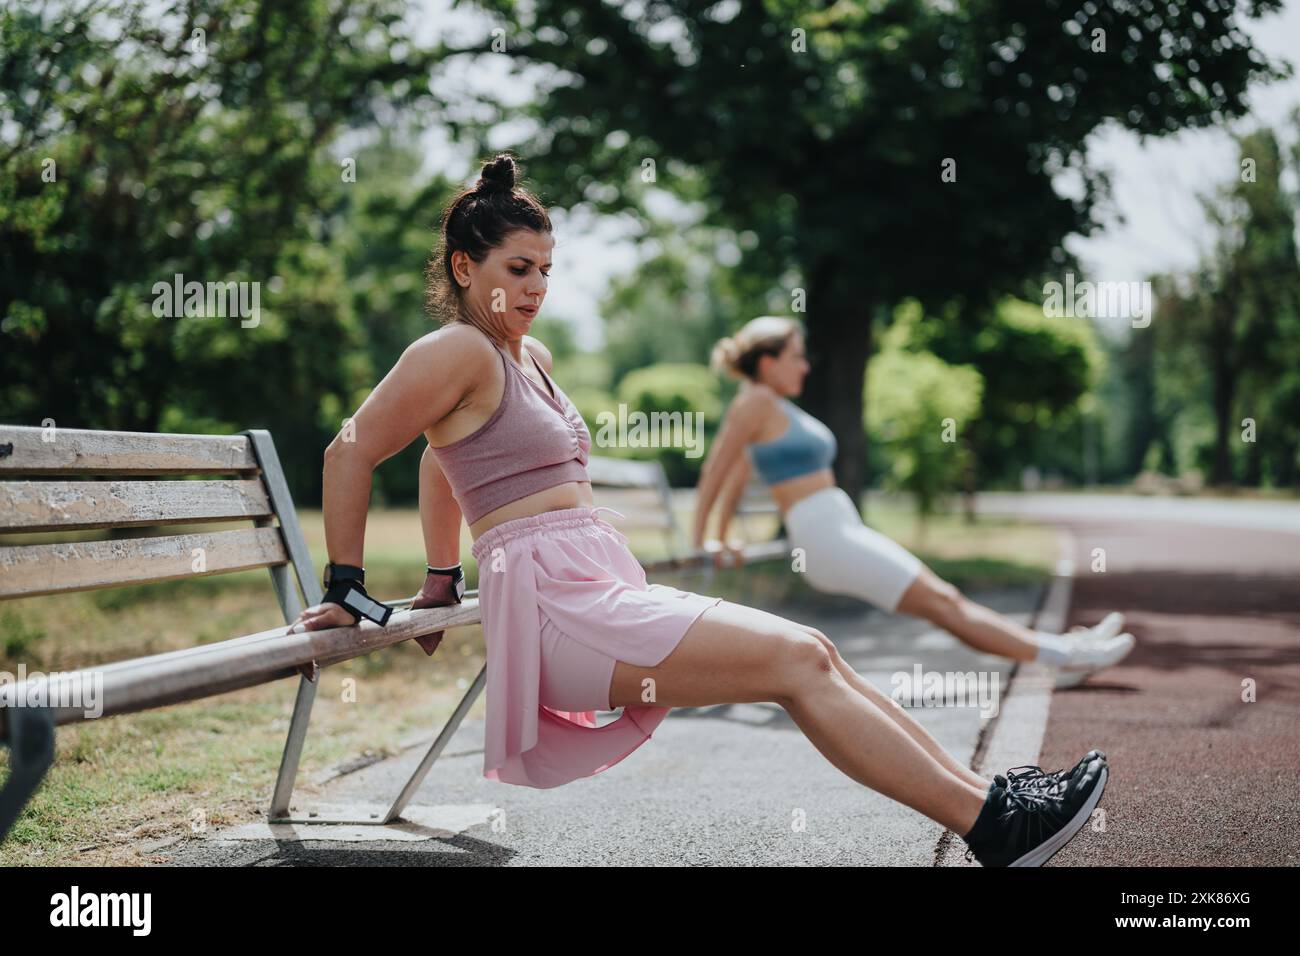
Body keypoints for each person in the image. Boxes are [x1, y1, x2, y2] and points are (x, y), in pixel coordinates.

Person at [285, 153, 1108, 866]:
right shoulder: (453, 349)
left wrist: (439, 576)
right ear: (465, 269)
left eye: (545, 268)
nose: (536, 286)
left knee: (812, 649)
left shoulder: (521, 354)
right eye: (516, 269)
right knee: (796, 663)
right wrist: (348, 583)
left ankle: (990, 799)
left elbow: (442, 461)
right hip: (553, 606)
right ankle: (993, 827)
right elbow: (350, 450)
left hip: (590, 585)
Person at [694, 315, 1136, 689]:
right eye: (796, 356)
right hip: (825, 539)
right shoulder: (754, 402)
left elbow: (736, 477)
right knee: (945, 602)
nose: (805, 367)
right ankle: (1065, 657)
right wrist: (705, 542)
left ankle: (1066, 653)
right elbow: (717, 472)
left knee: (945, 603)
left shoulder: (766, 405)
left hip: (838, 531)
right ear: (768, 362)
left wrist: (719, 536)